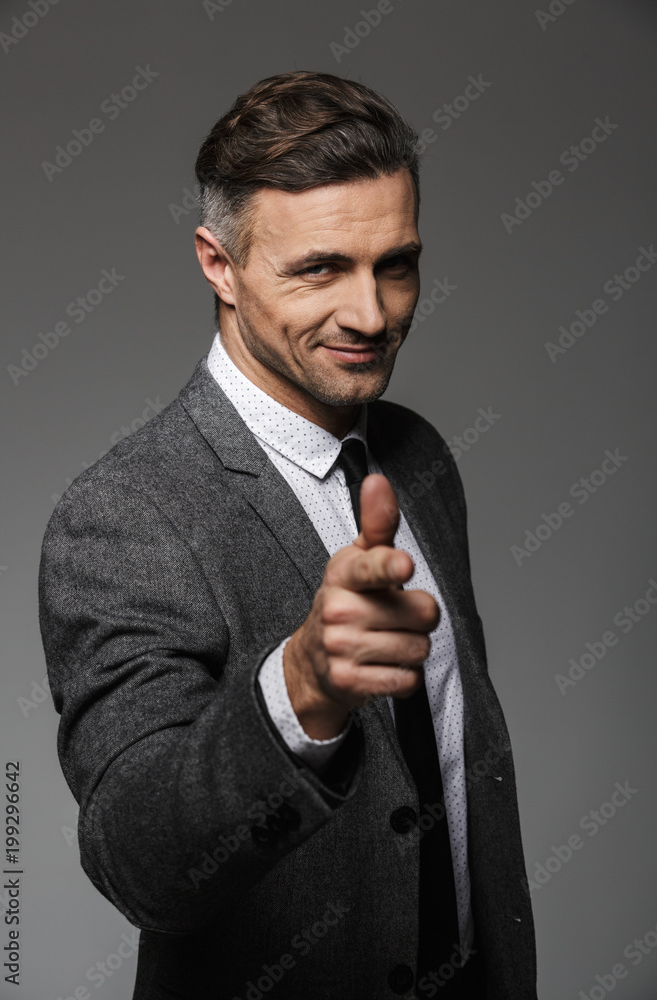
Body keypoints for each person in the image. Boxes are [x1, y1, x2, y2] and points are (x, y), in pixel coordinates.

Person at [38, 70, 537, 999]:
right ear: (217, 265)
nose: (372, 314)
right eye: (319, 269)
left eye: (396, 263)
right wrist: (299, 688)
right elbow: (139, 862)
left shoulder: (416, 455)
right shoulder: (121, 513)